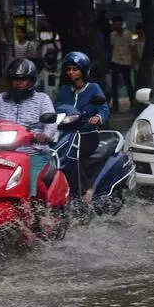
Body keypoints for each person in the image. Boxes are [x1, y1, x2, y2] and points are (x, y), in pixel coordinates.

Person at [0, 59, 57, 196]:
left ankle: (39, 215)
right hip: (1, 153)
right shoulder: (1, 99)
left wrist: (45, 136)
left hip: (33, 153)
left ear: (31, 80)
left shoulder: (42, 99)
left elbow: (51, 124)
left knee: (32, 189)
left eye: (23, 79)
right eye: (15, 79)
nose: (19, 82)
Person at [55, 51, 110, 200]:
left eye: (75, 69)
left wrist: (98, 118)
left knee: (70, 155)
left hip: (86, 135)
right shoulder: (64, 90)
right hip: (64, 134)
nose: (71, 72)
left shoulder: (93, 88)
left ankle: (86, 190)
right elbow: (57, 108)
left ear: (84, 70)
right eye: (68, 69)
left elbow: (103, 109)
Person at [110, 17, 135, 113]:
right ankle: (115, 105)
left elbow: (131, 47)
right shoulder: (112, 35)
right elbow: (112, 47)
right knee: (114, 85)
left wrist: (132, 61)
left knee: (128, 83)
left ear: (121, 24)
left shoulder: (128, 34)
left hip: (126, 61)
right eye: (115, 24)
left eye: (118, 24)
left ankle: (132, 103)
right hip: (115, 60)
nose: (116, 26)